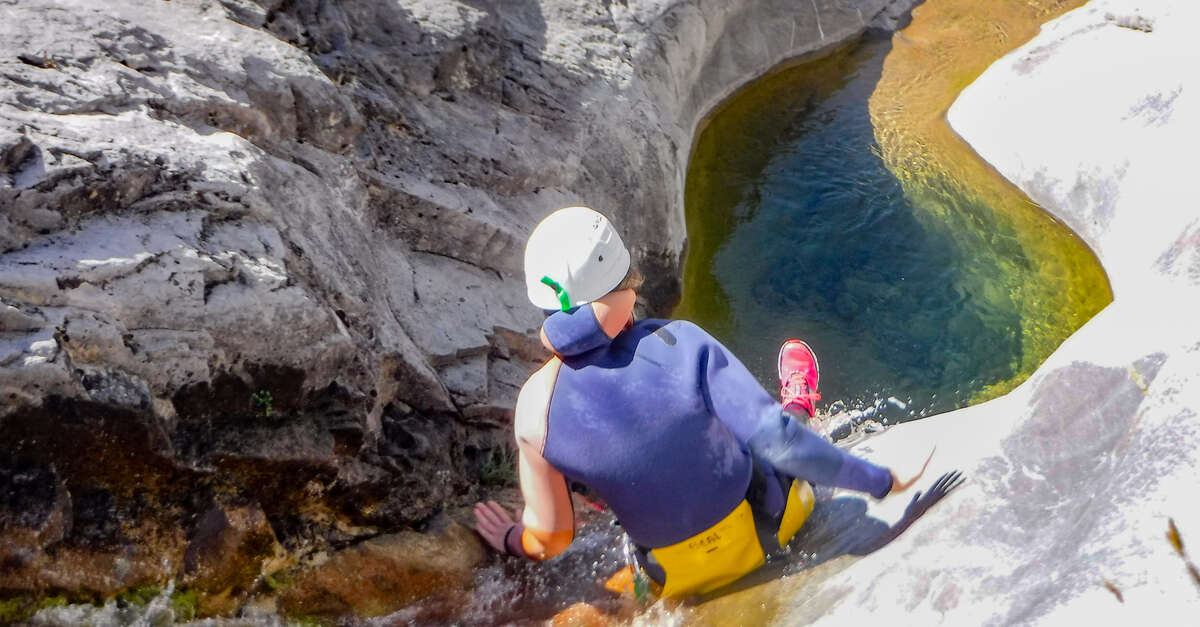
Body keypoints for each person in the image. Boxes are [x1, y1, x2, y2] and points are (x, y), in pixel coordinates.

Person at [474, 206, 933, 598]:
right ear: (624, 285)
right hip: (771, 528)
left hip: (674, 579)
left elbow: (550, 539)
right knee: (763, 425)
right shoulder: (682, 343)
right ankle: (799, 402)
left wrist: (513, 538)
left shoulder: (534, 408)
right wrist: (879, 480)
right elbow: (778, 443)